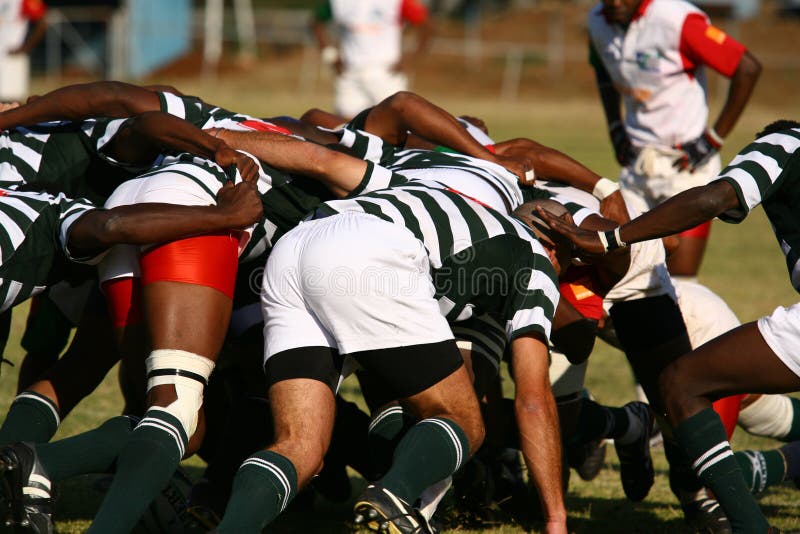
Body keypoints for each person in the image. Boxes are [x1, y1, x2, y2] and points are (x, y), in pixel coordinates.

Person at [537, 120, 800, 533]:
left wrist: (612, 236)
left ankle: (756, 489)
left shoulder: (784, 142)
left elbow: (712, 200)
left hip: (697, 324)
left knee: (686, 399)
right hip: (665, 311)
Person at [588, 0, 761, 279]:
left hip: (686, 168)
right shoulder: (597, 20)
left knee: (681, 281)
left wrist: (713, 138)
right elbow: (602, 71)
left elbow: (748, 68)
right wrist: (614, 127)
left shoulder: (676, 18)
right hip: (637, 167)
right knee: (623, 274)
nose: (615, 2)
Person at [312, 0, 433, 119]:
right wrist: (330, 55)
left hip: (386, 72)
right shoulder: (340, 2)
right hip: (350, 73)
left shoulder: (397, 2)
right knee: (346, 128)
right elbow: (316, 22)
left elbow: (426, 25)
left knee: (396, 123)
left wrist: (410, 58)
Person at [0, 0, 47, 103]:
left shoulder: (24, 1)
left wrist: (25, 47)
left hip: (11, 57)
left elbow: (42, 22)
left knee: (10, 102)